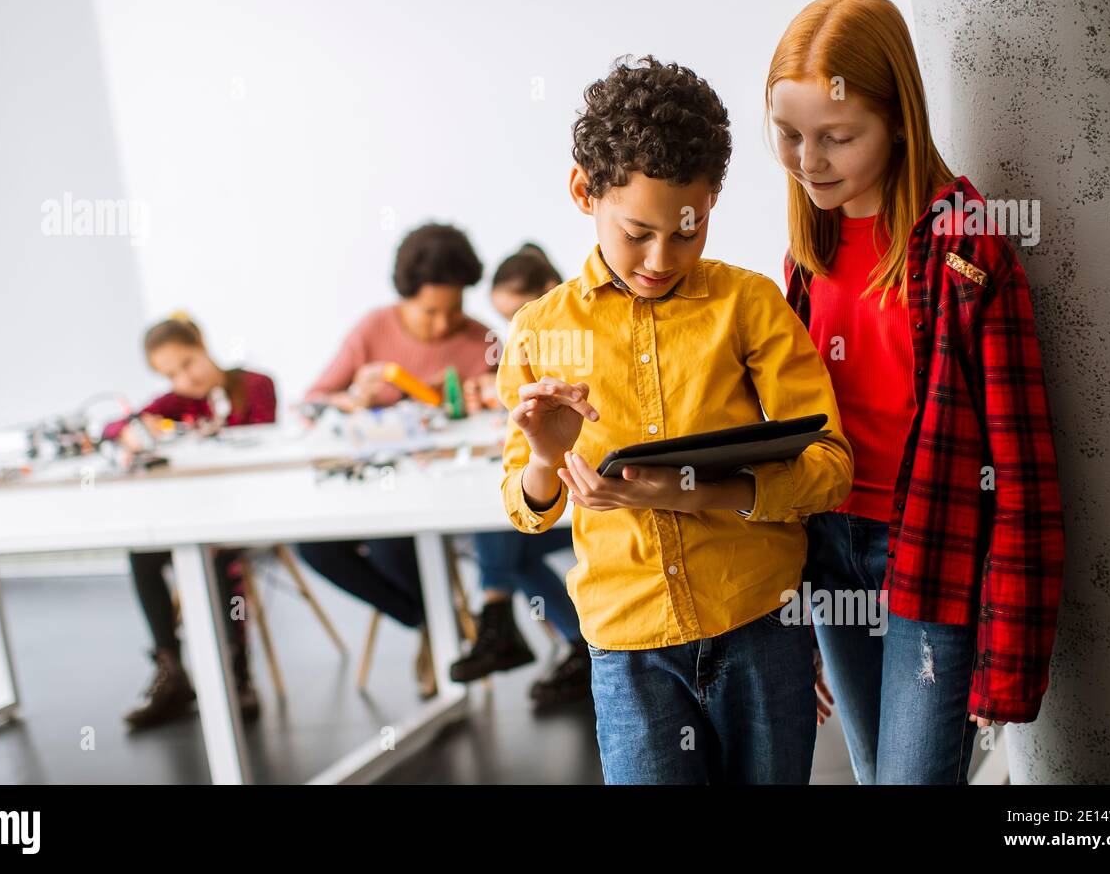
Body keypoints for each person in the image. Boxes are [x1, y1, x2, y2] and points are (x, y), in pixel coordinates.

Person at [496, 55, 854, 783]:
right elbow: (526, 511)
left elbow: (829, 468)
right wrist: (542, 460)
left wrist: (690, 491)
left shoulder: (748, 305)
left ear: (713, 202)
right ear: (582, 191)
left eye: (687, 231)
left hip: (760, 623)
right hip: (629, 648)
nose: (663, 257)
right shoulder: (538, 331)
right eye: (638, 232)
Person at [766, 0, 1066, 783]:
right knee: (871, 773)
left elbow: (1025, 472)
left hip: (930, 552)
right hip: (830, 550)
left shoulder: (967, 249)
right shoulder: (805, 256)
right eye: (789, 135)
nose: (808, 161)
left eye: (836, 138)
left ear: (898, 120)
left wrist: (1007, 662)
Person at [297, 223, 495, 698]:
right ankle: (432, 619)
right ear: (405, 294)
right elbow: (311, 403)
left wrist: (489, 397)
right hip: (377, 482)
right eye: (430, 311)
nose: (445, 325)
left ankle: (437, 625)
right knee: (315, 547)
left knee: (390, 544)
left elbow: (508, 410)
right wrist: (351, 398)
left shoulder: (482, 340)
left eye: (455, 308)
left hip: (450, 487)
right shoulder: (373, 330)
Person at [102, 313, 276, 729]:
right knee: (143, 554)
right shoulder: (174, 403)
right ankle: (171, 671)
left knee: (219, 557)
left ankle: (238, 673)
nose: (184, 379)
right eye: (170, 374)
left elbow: (266, 441)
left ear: (201, 343)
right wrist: (130, 429)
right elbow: (113, 428)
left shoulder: (255, 386)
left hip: (248, 513)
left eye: (188, 363)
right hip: (199, 515)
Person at [449, 244, 590, 710]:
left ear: (547, 292)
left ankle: (497, 619)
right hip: (552, 494)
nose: (514, 326)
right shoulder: (528, 345)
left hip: (588, 492)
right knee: (510, 543)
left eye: (517, 312)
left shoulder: (580, 335)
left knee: (500, 535)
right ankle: (576, 643)